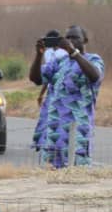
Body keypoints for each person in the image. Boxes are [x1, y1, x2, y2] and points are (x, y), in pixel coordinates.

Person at [33, 25, 104, 168]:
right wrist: (39, 54)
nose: (71, 40)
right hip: (54, 131)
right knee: (49, 177)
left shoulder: (93, 59)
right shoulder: (60, 61)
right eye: (68, 38)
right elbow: (36, 79)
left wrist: (73, 52)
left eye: (75, 37)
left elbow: (95, 76)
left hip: (77, 131)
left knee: (76, 175)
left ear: (85, 40)